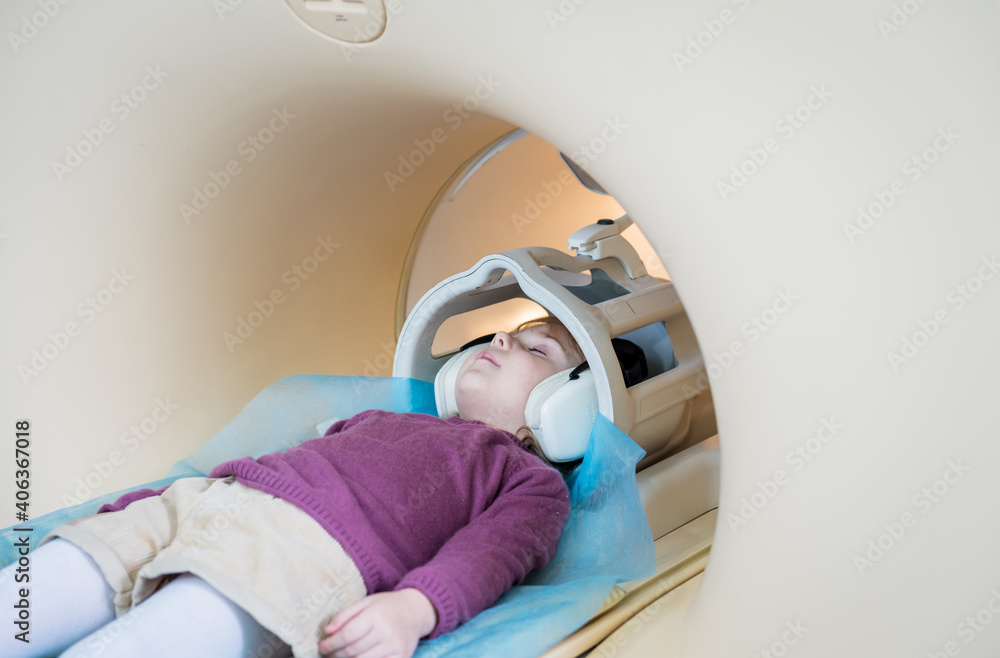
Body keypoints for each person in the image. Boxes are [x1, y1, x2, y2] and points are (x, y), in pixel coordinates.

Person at [1, 317, 585, 658]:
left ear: (567, 407)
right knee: (55, 574)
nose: (503, 340)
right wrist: (130, 512)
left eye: (536, 349)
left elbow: (490, 555)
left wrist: (417, 607)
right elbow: (275, 464)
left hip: (300, 556)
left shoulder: (526, 480)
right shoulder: (381, 420)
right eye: (507, 333)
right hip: (207, 503)